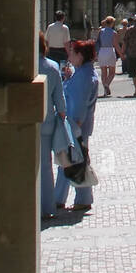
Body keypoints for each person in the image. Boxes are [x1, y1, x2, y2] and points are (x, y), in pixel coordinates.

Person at [55, 40, 99, 212]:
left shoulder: (84, 77)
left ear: (80, 55)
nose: (69, 56)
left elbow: (79, 104)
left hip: (75, 125)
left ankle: (72, 197)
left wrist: (74, 127)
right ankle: (68, 197)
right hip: (76, 125)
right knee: (72, 161)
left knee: (72, 161)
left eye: (72, 53)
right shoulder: (83, 73)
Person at [39, 31, 68, 220]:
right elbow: (60, 100)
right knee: (46, 166)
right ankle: (47, 207)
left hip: (25, 122)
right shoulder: (52, 67)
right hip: (47, 122)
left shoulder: (24, 67)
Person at [95, 16, 120, 97]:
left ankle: (105, 89)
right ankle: (107, 84)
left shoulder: (101, 31)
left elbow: (97, 42)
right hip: (110, 50)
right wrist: (121, 54)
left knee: (103, 71)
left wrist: (96, 53)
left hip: (102, 51)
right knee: (112, 71)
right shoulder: (114, 33)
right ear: (112, 23)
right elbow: (116, 45)